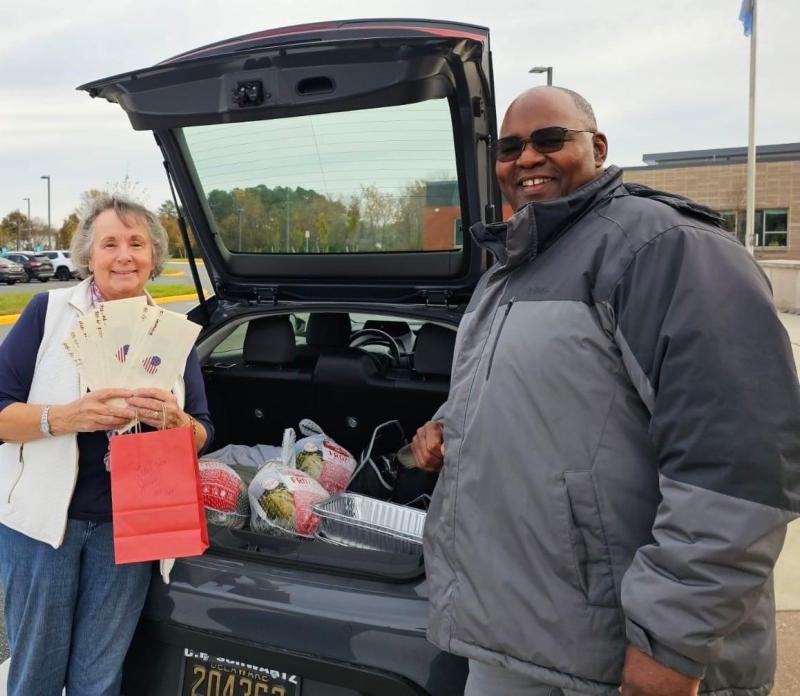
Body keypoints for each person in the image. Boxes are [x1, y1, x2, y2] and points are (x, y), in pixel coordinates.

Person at [412, 86, 800, 696]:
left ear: (597, 147)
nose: (527, 158)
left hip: (617, 657)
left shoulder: (664, 247)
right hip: (512, 637)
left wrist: (671, 643)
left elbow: (738, 466)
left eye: (549, 139)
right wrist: (444, 427)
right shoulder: (510, 268)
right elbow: (530, 392)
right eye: (510, 147)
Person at [0, 194, 214, 696]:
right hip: (44, 527)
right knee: (36, 676)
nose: (124, 256)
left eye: (137, 243)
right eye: (110, 243)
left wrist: (175, 421)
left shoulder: (170, 333)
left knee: (99, 679)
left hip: (131, 526)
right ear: (88, 255)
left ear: (153, 256)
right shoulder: (48, 313)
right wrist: (66, 417)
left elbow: (203, 432)